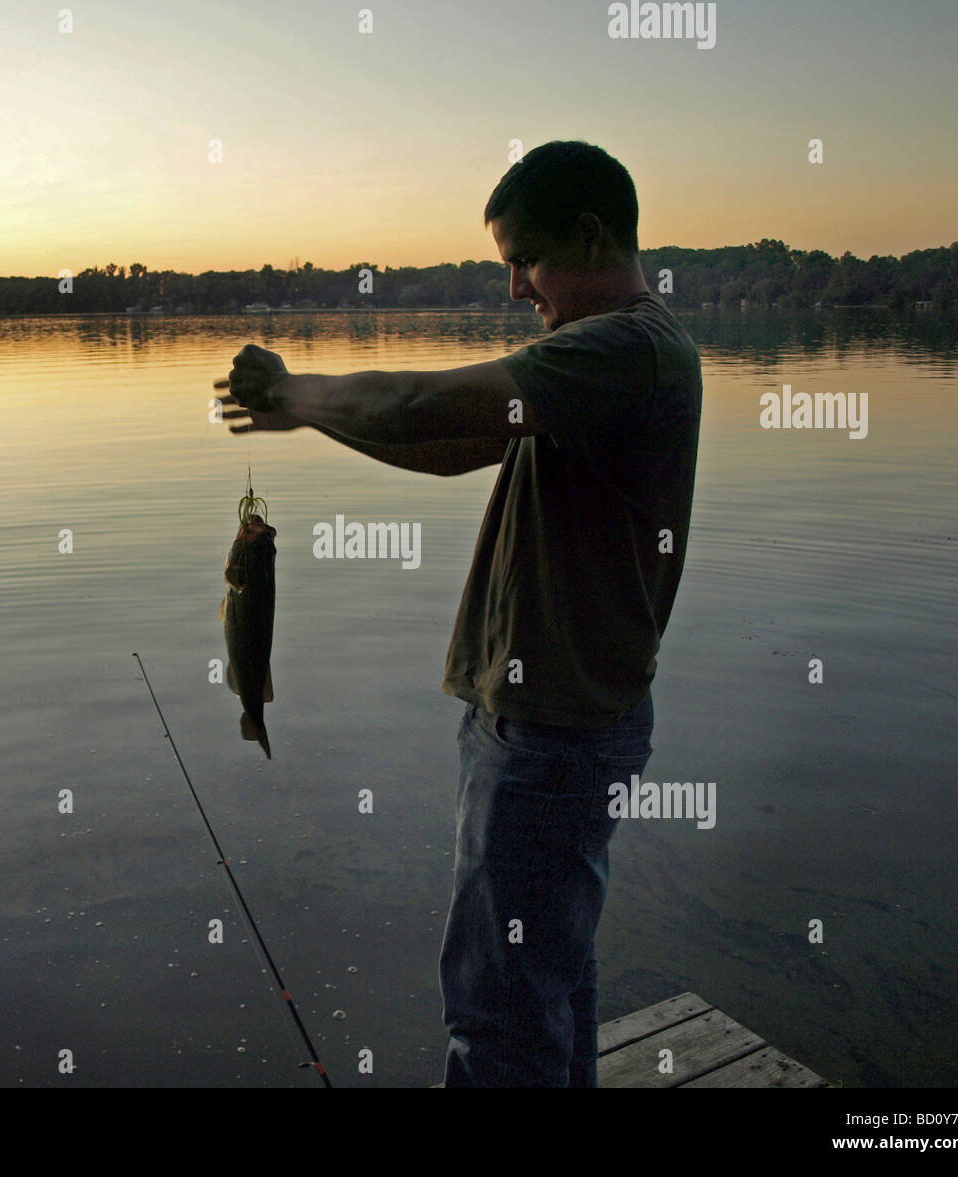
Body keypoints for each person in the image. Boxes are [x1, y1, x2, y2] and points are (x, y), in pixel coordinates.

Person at [219, 140, 702, 1087]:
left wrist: (294, 388)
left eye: (525, 257)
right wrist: (311, 413)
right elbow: (445, 437)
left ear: (591, 235)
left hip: (552, 735)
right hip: (563, 723)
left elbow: (419, 399)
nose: (516, 284)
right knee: (547, 980)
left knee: (500, 1009)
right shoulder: (615, 361)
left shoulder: (623, 350)